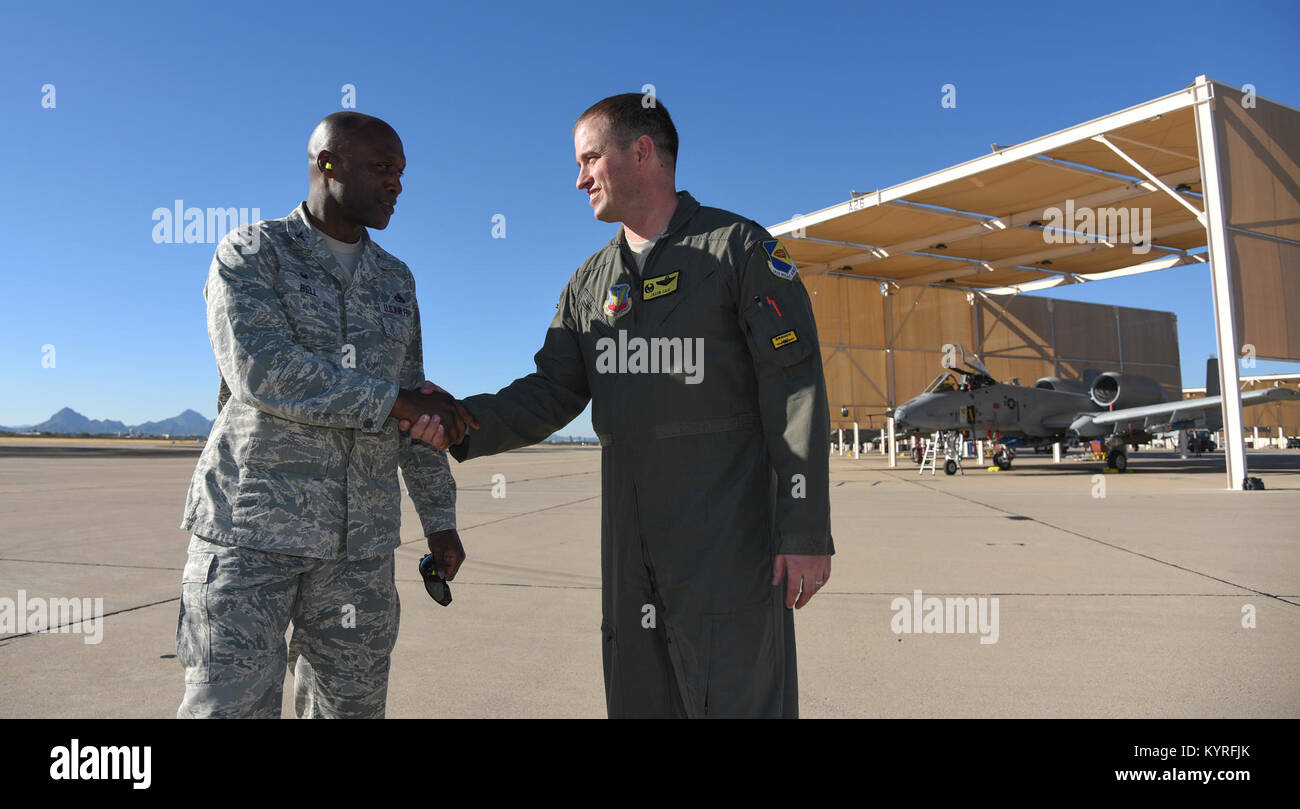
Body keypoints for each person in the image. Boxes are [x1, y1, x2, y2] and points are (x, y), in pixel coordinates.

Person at [434, 93, 833, 717]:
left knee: (735, 689)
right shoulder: (589, 283)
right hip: (629, 537)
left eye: (590, 158)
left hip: (727, 531)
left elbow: (796, 390)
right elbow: (550, 393)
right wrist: (457, 420)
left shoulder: (740, 251)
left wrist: (804, 528)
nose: (579, 178)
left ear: (642, 151)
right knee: (639, 691)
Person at [176, 112, 472, 718]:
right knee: (227, 710)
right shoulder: (252, 252)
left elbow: (414, 398)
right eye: (382, 168)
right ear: (326, 164)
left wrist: (439, 517)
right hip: (251, 537)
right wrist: (396, 401)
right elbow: (261, 367)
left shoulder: (395, 279)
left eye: (401, 172)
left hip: (358, 553)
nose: (396, 184)